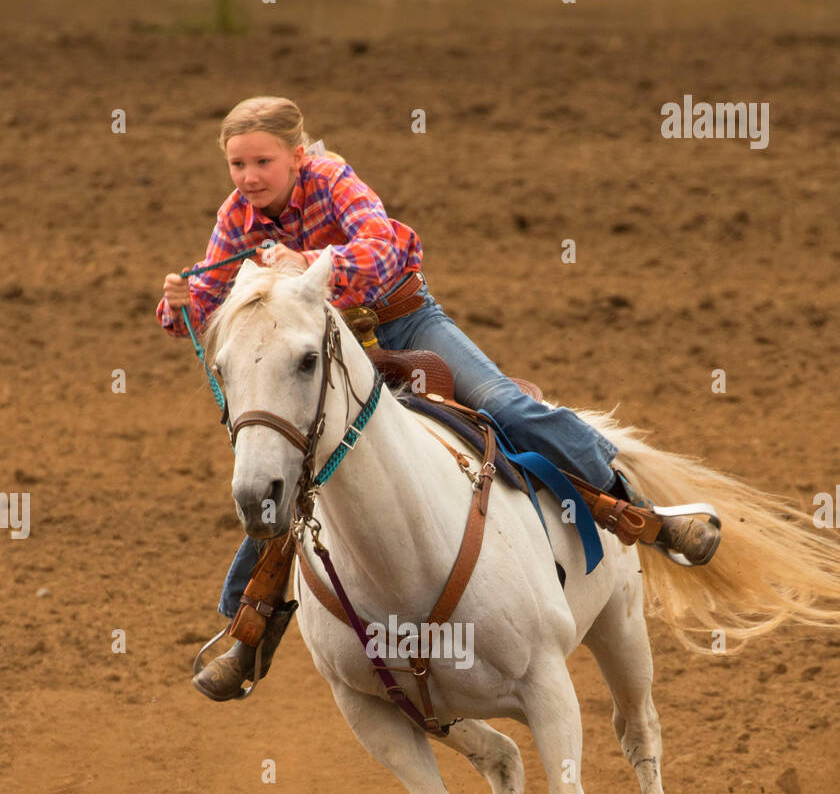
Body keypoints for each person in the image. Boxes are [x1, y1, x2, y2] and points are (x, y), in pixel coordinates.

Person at [157, 95, 719, 702]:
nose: (249, 178)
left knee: (504, 406)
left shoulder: (331, 179)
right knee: (287, 467)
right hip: (330, 356)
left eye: (261, 162)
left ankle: (642, 512)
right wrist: (179, 302)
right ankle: (248, 630)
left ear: (295, 156)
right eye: (237, 165)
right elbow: (208, 295)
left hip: (401, 323)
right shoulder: (236, 215)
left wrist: (310, 265)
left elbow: (381, 249)